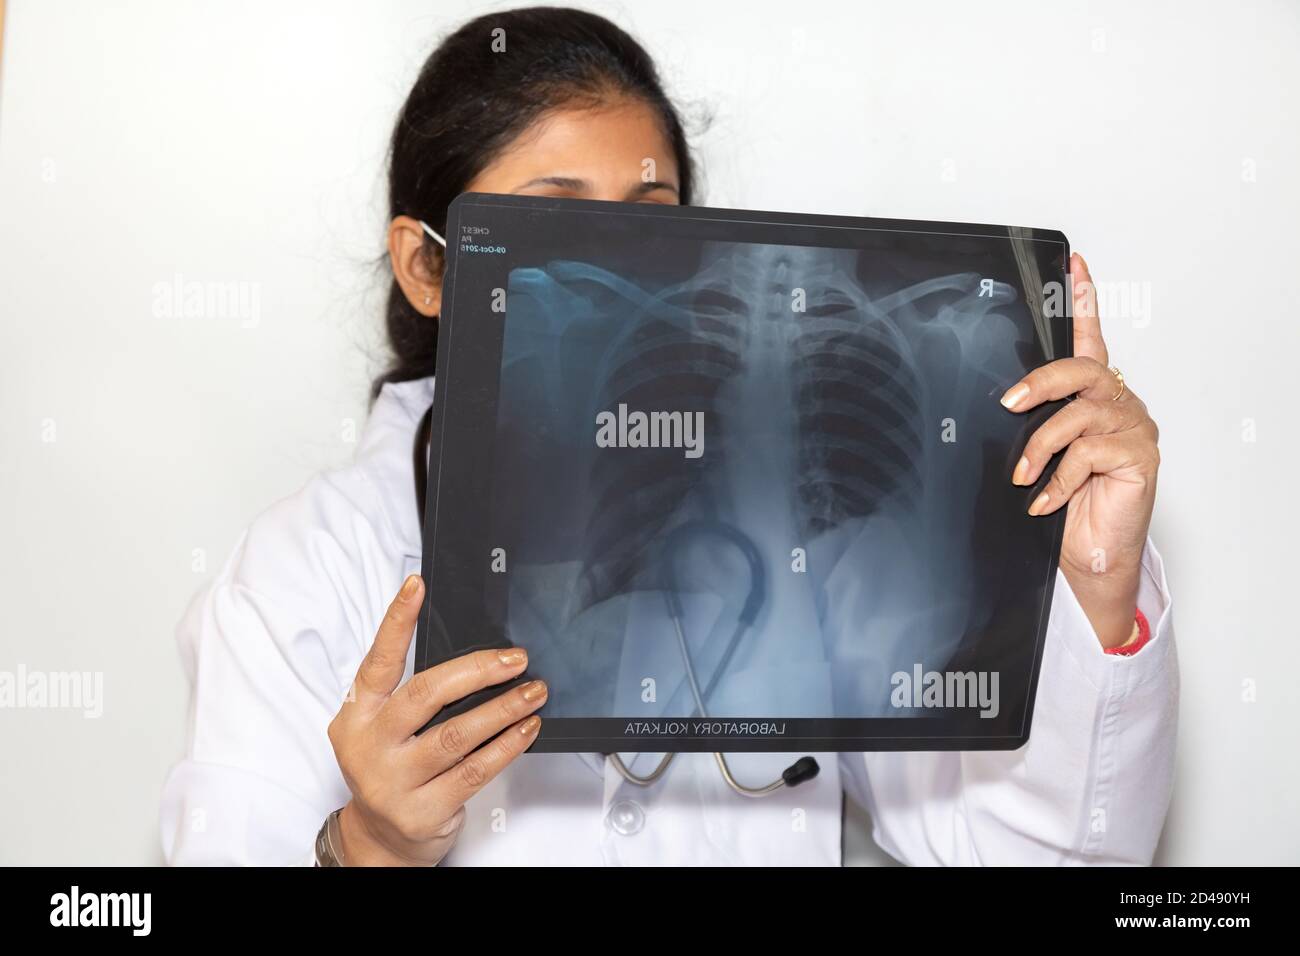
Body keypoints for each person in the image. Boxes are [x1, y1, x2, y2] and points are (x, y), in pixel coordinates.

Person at [160, 6, 1177, 866]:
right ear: (429, 269)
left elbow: (1042, 857)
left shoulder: (805, 535)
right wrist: (368, 842)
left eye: (654, 219)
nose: (628, 268)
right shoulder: (305, 571)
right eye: (559, 223)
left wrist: (1092, 584)